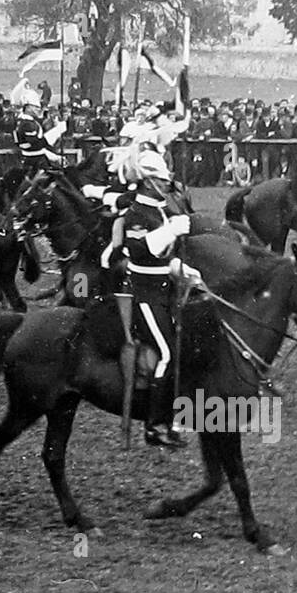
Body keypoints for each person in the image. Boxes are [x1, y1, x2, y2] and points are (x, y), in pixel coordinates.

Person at [100, 148, 201, 448]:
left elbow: (164, 258)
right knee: (167, 353)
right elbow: (142, 251)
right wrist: (170, 231)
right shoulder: (136, 214)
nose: (167, 186)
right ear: (147, 182)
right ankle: (155, 425)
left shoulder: (159, 209)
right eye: (161, 181)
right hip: (142, 295)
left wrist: (185, 270)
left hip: (164, 289)